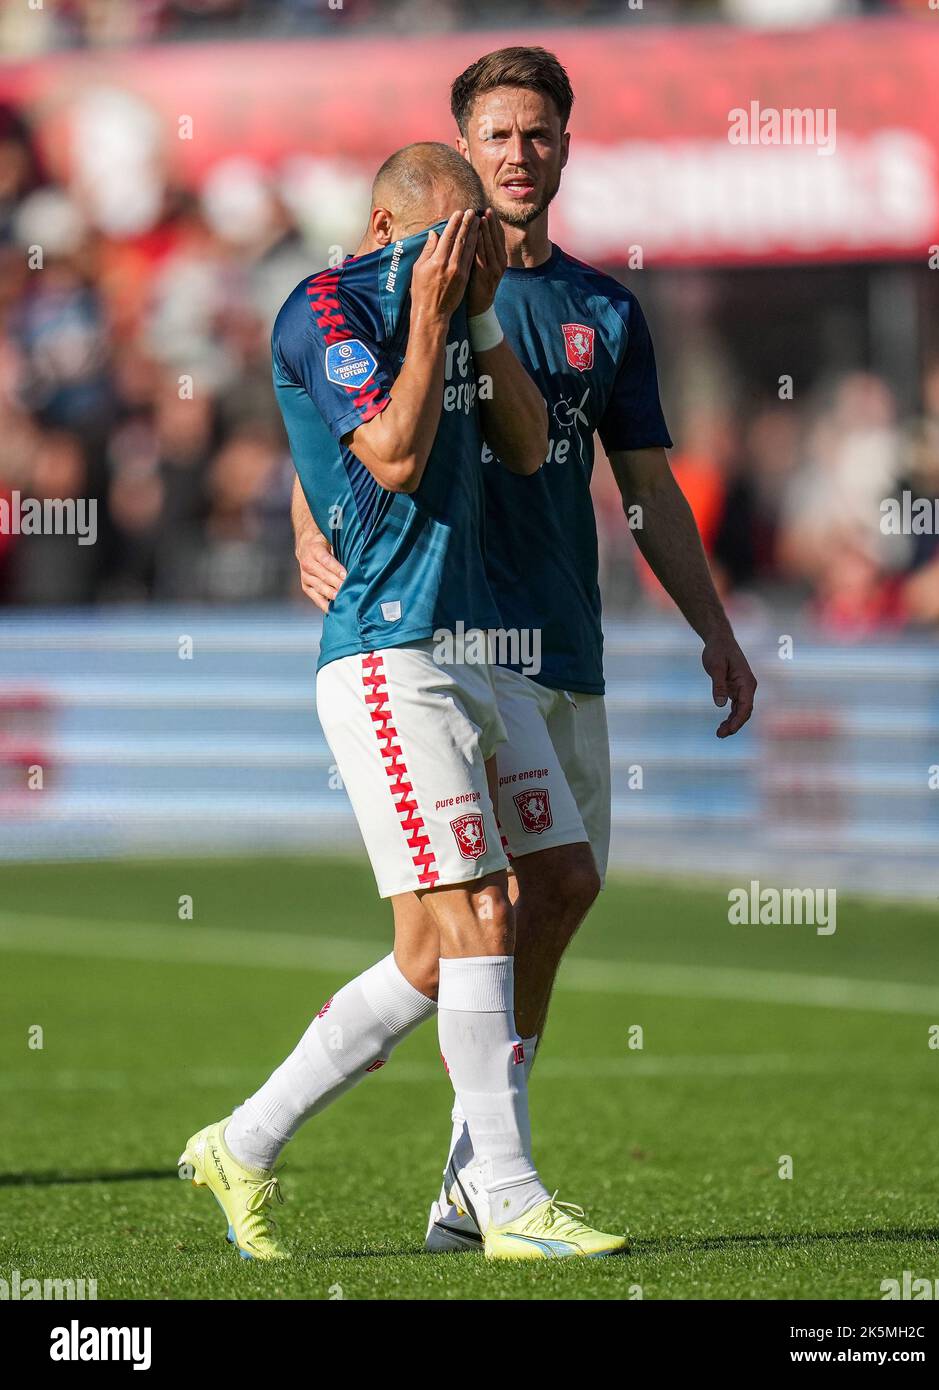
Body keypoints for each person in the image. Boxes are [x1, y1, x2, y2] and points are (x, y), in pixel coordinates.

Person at [292, 49, 758, 1253]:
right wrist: (308, 516)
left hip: (565, 643)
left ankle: (433, 1162)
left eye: (537, 133)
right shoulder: (400, 282)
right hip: (450, 647)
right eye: (495, 133)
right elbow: (334, 417)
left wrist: (711, 622)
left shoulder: (605, 311)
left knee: (547, 897)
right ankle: (490, 1177)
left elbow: (646, 489)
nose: (516, 152)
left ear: (564, 146)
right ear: (463, 140)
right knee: (475, 917)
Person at [180, 141, 628, 1262]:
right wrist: (432, 320)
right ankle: (501, 1199)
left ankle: (244, 1140)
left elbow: (528, 451)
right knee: (475, 913)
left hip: (480, 647)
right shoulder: (321, 309)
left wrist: (474, 318)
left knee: (542, 888)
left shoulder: (471, 308)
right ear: (386, 229)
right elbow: (384, 451)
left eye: (476, 241)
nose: (466, 258)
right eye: (446, 241)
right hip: (391, 650)